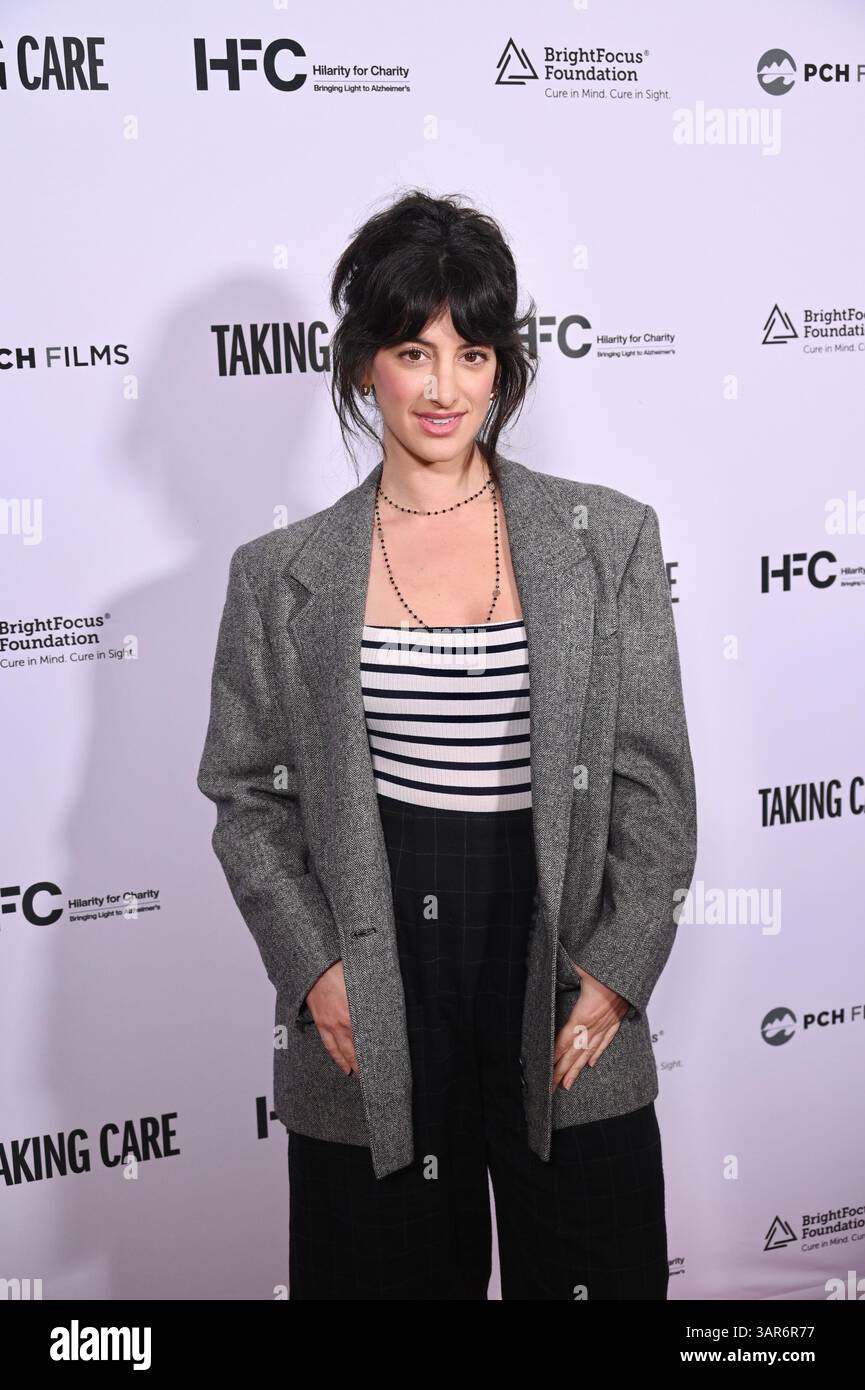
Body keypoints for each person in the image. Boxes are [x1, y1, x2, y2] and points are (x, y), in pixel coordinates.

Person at [197, 188, 698, 1300]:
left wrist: (614, 977)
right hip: (373, 981)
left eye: (472, 354)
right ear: (363, 359)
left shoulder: (607, 540)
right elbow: (247, 795)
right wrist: (318, 972)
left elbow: (654, 789)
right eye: (413, 351)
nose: (442, 387)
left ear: (504, 367)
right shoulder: (280, 577)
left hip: (556, 969)